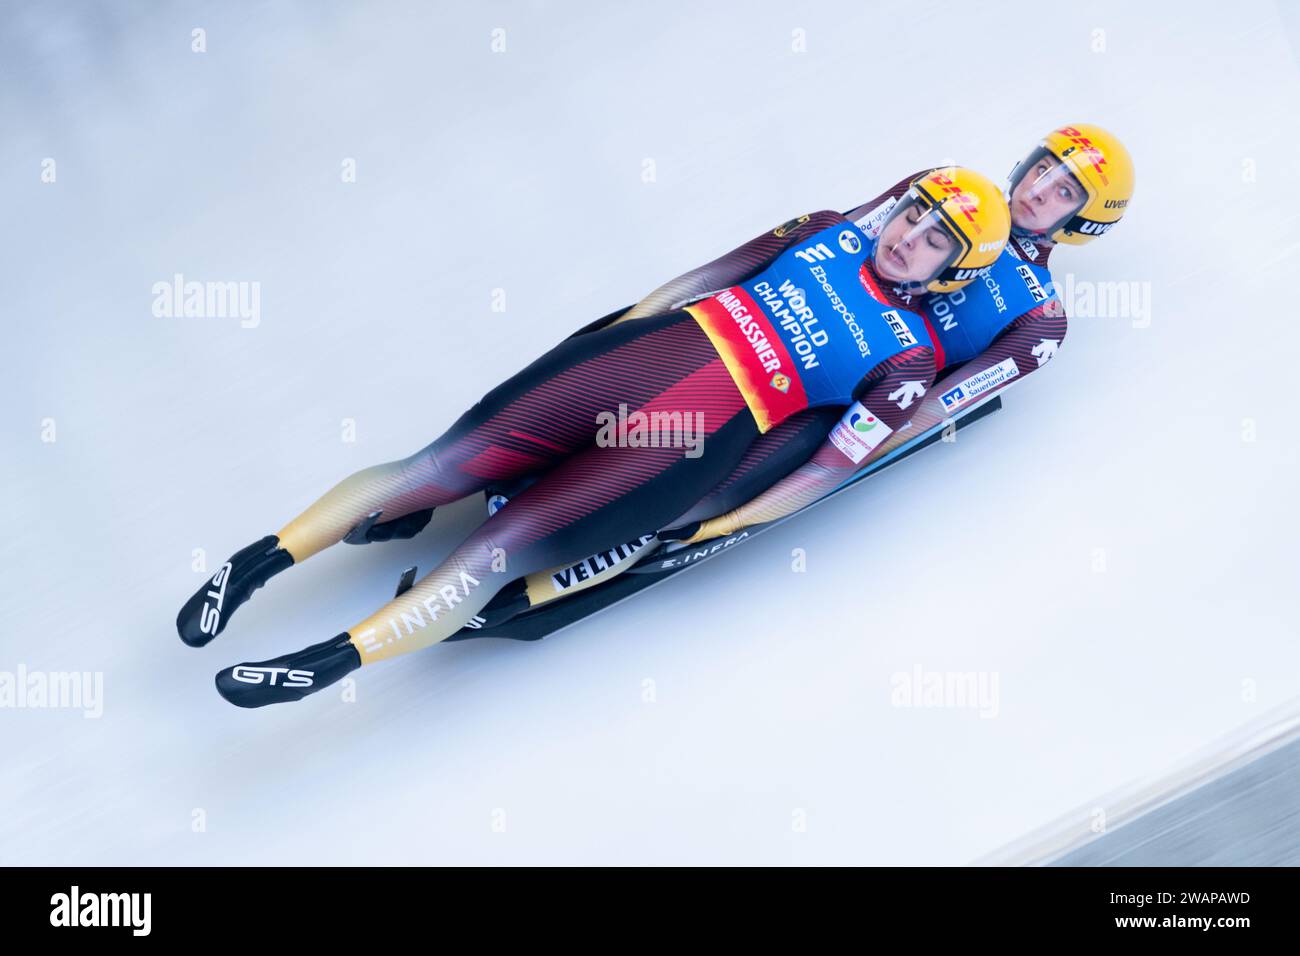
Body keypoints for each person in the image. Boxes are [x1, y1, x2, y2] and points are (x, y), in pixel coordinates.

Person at [176, 166, 1012, 706]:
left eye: (934, 236)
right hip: (636, 360)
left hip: (693, 436)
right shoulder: (828, 227)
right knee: (444, 463)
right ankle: (255, 562)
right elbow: (701, 278)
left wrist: (720, 523)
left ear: (954, 269)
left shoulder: (909, 360)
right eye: (912, 214)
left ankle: (328, 662)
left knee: (496, 552)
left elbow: (830, 466)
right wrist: (606, 333)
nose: (907, 237)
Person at [467, 123, 1135, 625]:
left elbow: (937, 407)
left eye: (1065, 190)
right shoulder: (947, 188)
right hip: (791, 327)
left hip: (849, 388)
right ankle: (526, 456)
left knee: (707, 485)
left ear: (1081, 219)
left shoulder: (1042, 321)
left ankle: (619, 541)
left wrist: (857, 447)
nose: (1042, 189)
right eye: (1045, 168)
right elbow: (846, 237)